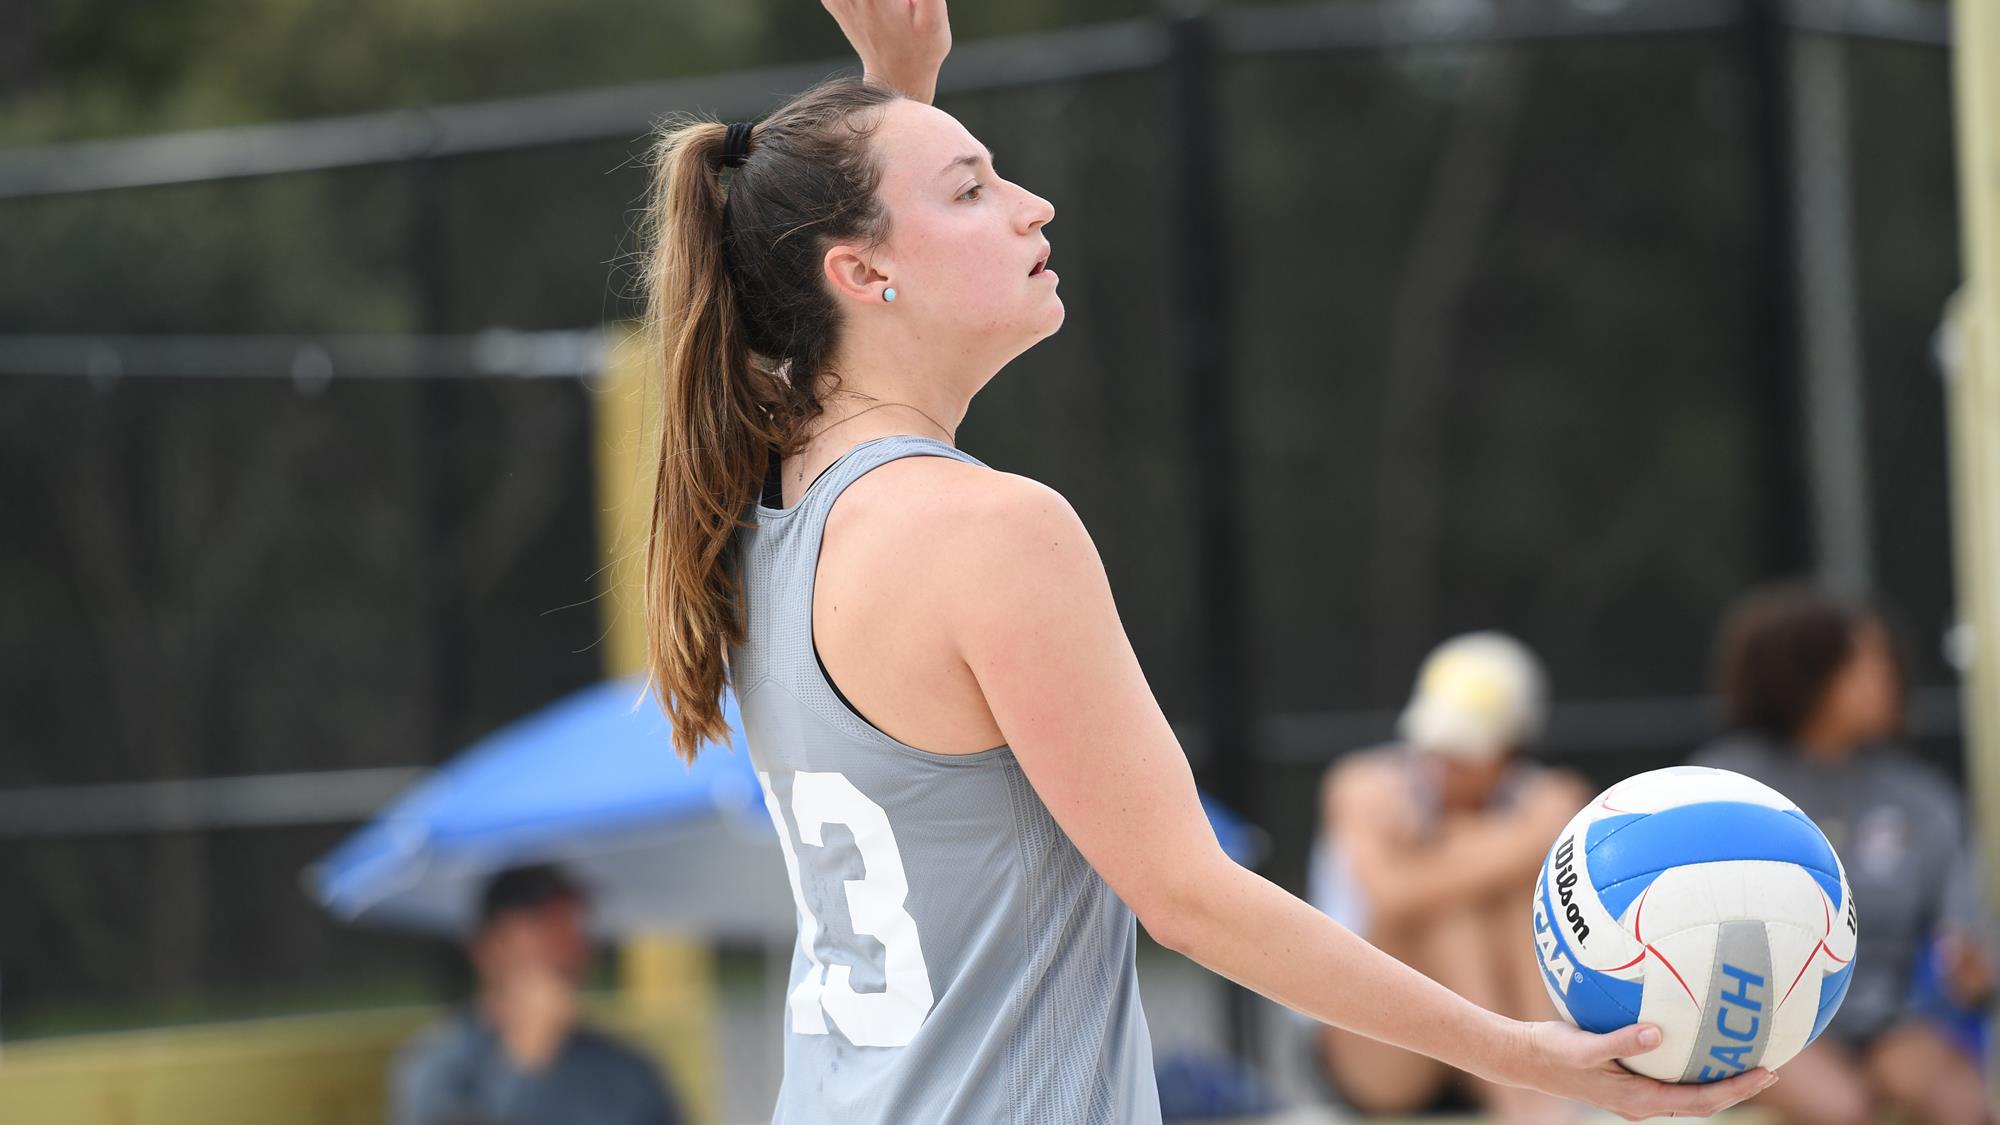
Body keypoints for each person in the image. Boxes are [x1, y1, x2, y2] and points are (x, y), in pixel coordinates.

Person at [636, 1, 1773, 1119]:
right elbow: (1188, 899)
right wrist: (1529, 1057)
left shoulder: (758, 505)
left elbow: (828, 316)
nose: (1032, 206)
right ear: (857, 271)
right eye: (974, 187)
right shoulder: (988, 530)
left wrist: (900, 99)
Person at [1688, 583, 1993, 1125]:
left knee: (1964, 1102)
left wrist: (1970, 964)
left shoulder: (1921, 797)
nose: (1887, 681)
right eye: (1862, 664)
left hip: (1888, 1022)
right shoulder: (1726, 785)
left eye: (1886, 662)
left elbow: (1965, 929)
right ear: (1803, 671)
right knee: (1842, 1108)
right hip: (1763, 1021)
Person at [1307, 632, 1593, 1122]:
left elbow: (1405, 885)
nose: (1445, 767)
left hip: (1489, 1033)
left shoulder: (1548, 796)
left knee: (1508, 898)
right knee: (1453, 910)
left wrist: (1442, 850)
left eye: (1465, 751)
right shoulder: (1364, 784)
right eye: (1438, 747)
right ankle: (1533, 1099)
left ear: (1510, 748)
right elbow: (1391, 898)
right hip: (1383, 1057)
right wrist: (1485, 848)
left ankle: (1535, 1092)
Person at [389, 864, 683, 1125]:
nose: (566, 944)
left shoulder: (629, 1071)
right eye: (543, 925)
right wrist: (527, 1063)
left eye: (573, 925)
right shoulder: (442, 1067)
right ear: (487, 948)